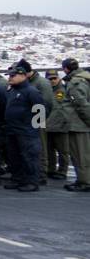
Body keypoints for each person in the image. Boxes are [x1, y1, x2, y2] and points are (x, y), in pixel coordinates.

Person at [2, 65, 44, 192]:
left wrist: (34, 129)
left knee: (29, 157)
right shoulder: (12, 91)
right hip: (12, 130)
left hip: (26, 131)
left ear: (23, 76)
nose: (10, 78)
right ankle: (18, 179)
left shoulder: (31, 91)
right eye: (9, 75)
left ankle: (31, 181)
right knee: (14, 157)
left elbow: (40, 110)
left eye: (13, 75)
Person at [59, 58, 90, 191]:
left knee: (79, 154)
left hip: (78, 124)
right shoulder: (83, 78)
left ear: (66, 69)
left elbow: (81, 104)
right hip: (80, 123)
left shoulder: (75, 82)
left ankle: (84, 181)